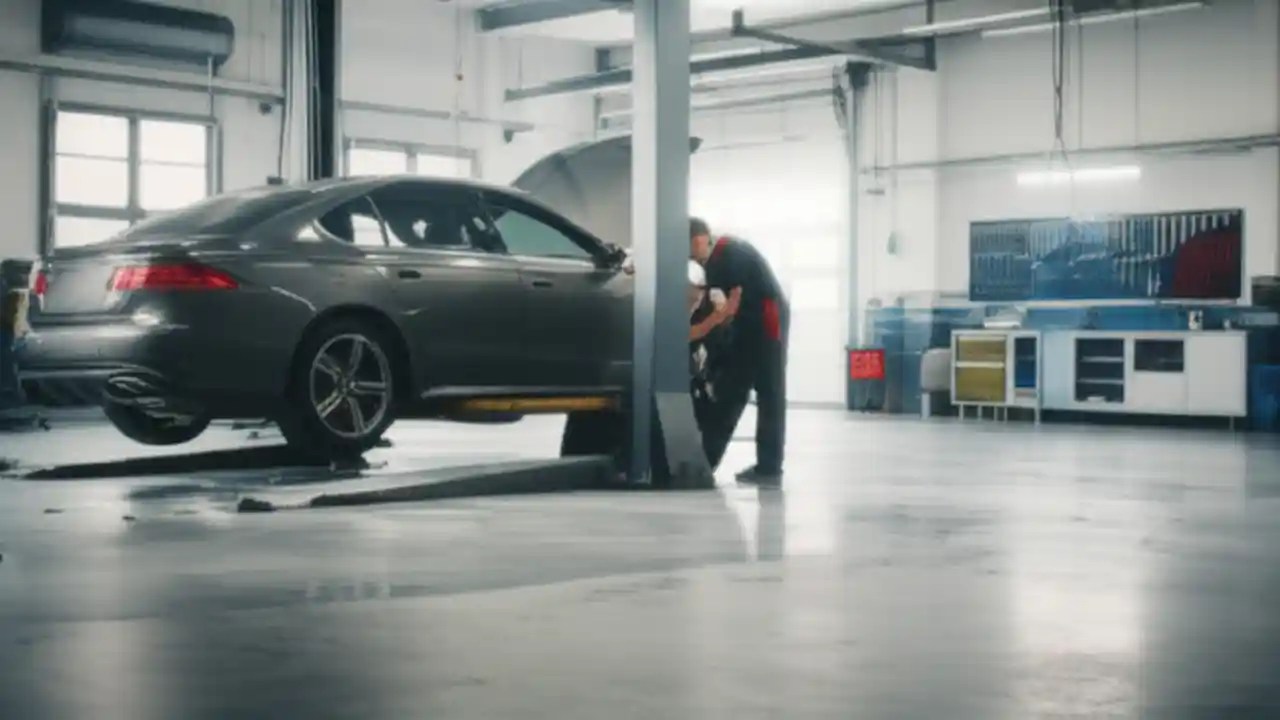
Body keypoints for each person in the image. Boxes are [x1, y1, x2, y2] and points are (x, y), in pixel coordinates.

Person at [690, 217, 789, 486]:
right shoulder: (719, 255)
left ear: (699, 240)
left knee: (768, 390)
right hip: (748, 323)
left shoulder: (729, 255)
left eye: (689, 250)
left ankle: (769, 467)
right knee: (735, 389)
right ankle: (707, 461)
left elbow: (728, 308)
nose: (690, 259)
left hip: (767, 321)